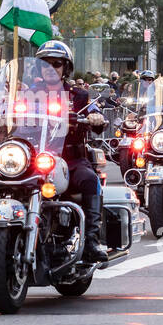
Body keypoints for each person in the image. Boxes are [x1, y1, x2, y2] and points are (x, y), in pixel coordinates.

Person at [36, 40, 109, 263]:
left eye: (56, 64)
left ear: (65, 68)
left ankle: (91, 240)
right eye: (45, 64)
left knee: (90, 180)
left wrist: (96, 117)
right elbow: (2, 112)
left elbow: (94, 112)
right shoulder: (24, 94)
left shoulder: (79, 95)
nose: (51, 68)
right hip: (33, 158)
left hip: (70, 159)